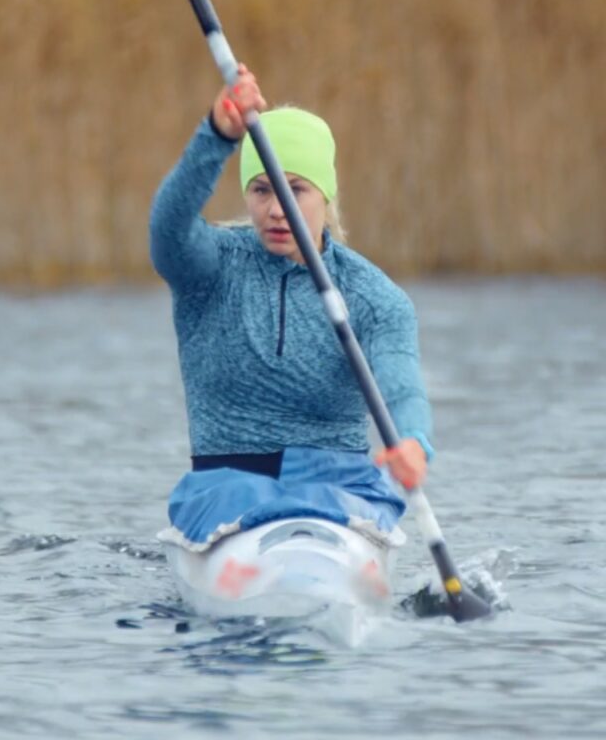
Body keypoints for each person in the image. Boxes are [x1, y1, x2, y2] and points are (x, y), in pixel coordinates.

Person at [150, 65, 434, 551]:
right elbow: (168, 229)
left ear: (325, 194)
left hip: (341, 491)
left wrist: (411, 440)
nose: (276, 210)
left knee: (345, 497)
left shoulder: (373, 297)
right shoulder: (210, 269)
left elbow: (400, 382)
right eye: (262, 190)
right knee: (245, 493)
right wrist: (216, 135)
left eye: (294, 190)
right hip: (226, 489)